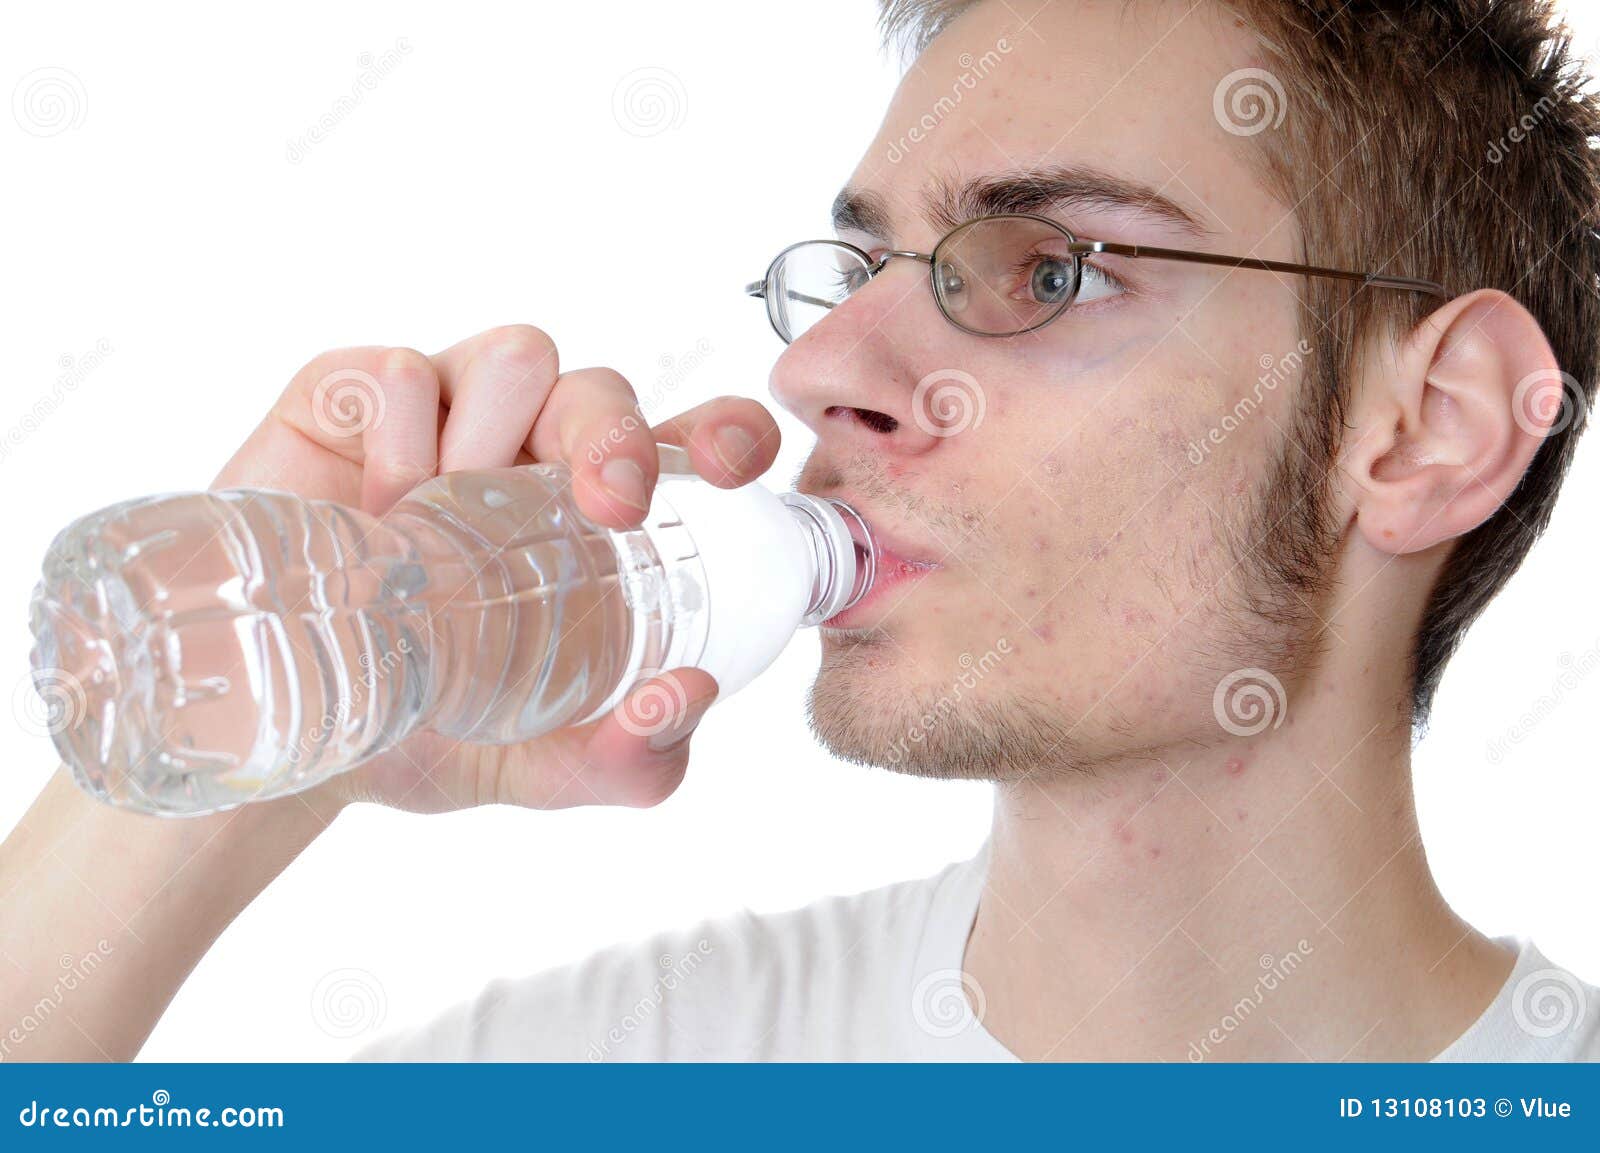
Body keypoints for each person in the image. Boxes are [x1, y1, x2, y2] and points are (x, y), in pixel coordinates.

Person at [5, 0, 1599, 1062]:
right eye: (867, 270)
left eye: (1049, 268)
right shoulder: (620, 1070)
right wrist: (254, 734)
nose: (821, 371)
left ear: (1431, 426)